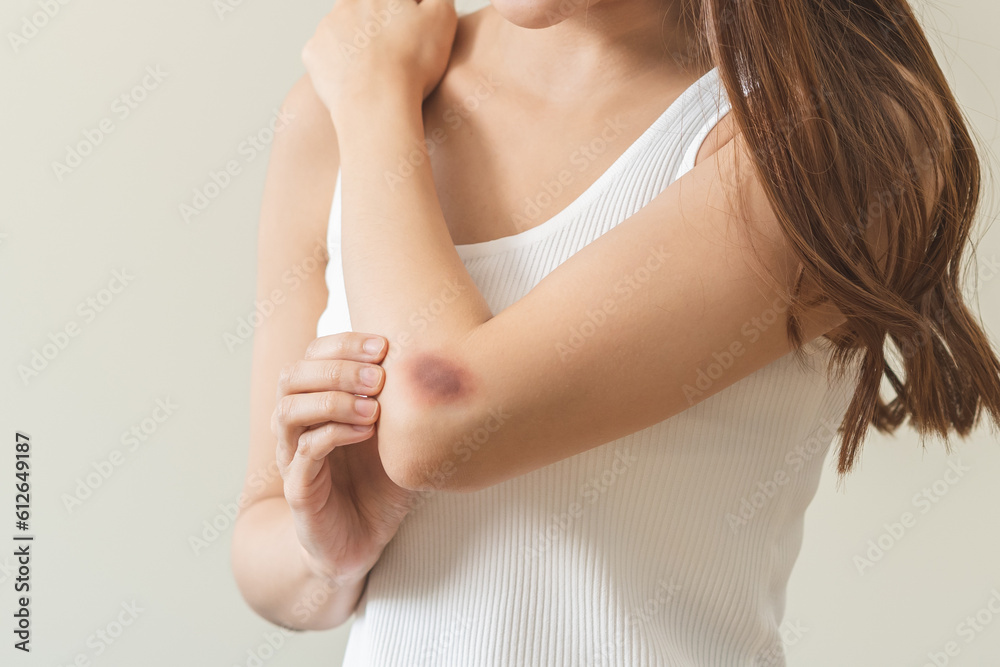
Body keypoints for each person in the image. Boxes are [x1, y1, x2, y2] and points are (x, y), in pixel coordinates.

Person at [231, 0, 1000, 663]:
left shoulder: (840, 140)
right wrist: (325, 555)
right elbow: (262, 545)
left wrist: (373, 103)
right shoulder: (332, 105)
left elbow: (440, 414)